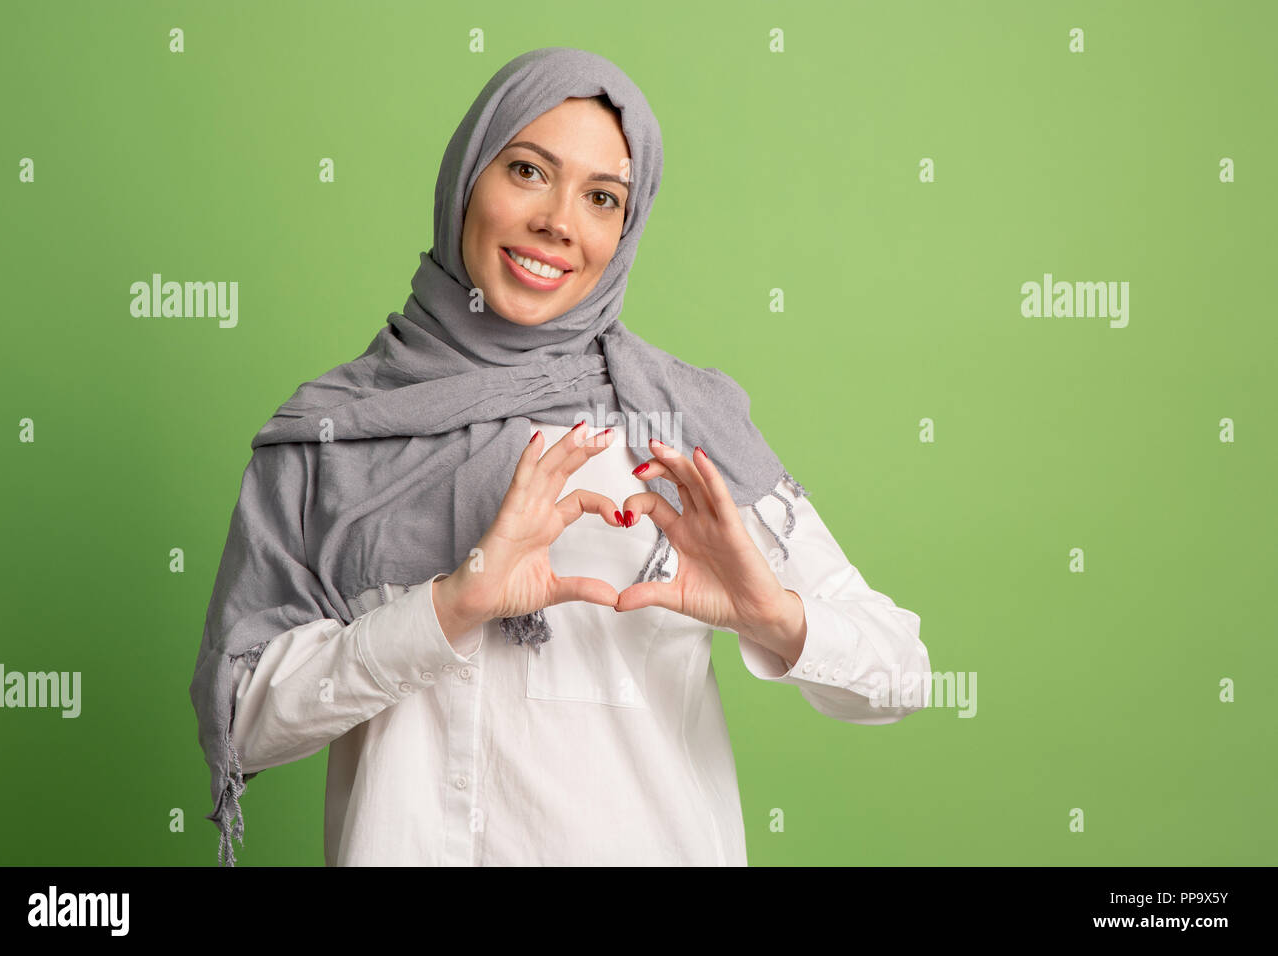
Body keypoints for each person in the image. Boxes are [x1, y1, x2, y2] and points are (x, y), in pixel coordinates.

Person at [189, 46, 932, 867]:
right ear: (466, 177)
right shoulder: (334, 433)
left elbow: (900, 676)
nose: (560, 222)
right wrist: (449, 607)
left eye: (602, 197)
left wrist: (770, 615)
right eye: (528, 171)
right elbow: (242, 722)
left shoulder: (677, 430)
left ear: (626, 227)